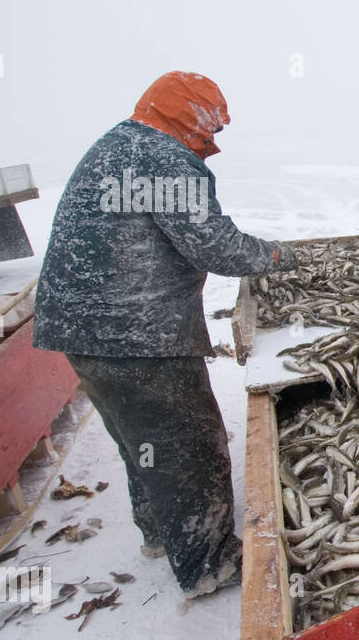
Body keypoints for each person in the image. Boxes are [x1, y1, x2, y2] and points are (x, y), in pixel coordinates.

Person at [33, 71, 299, 598]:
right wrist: (275, 255)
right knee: (187, 445)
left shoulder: (118, 145)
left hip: (80, 331)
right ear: (187, 119)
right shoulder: (164, 159)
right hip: (137, 337)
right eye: (208, 130)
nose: (212, 144)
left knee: (142, 438)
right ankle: (208, 564)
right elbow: (215, 247)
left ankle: (160, 532)